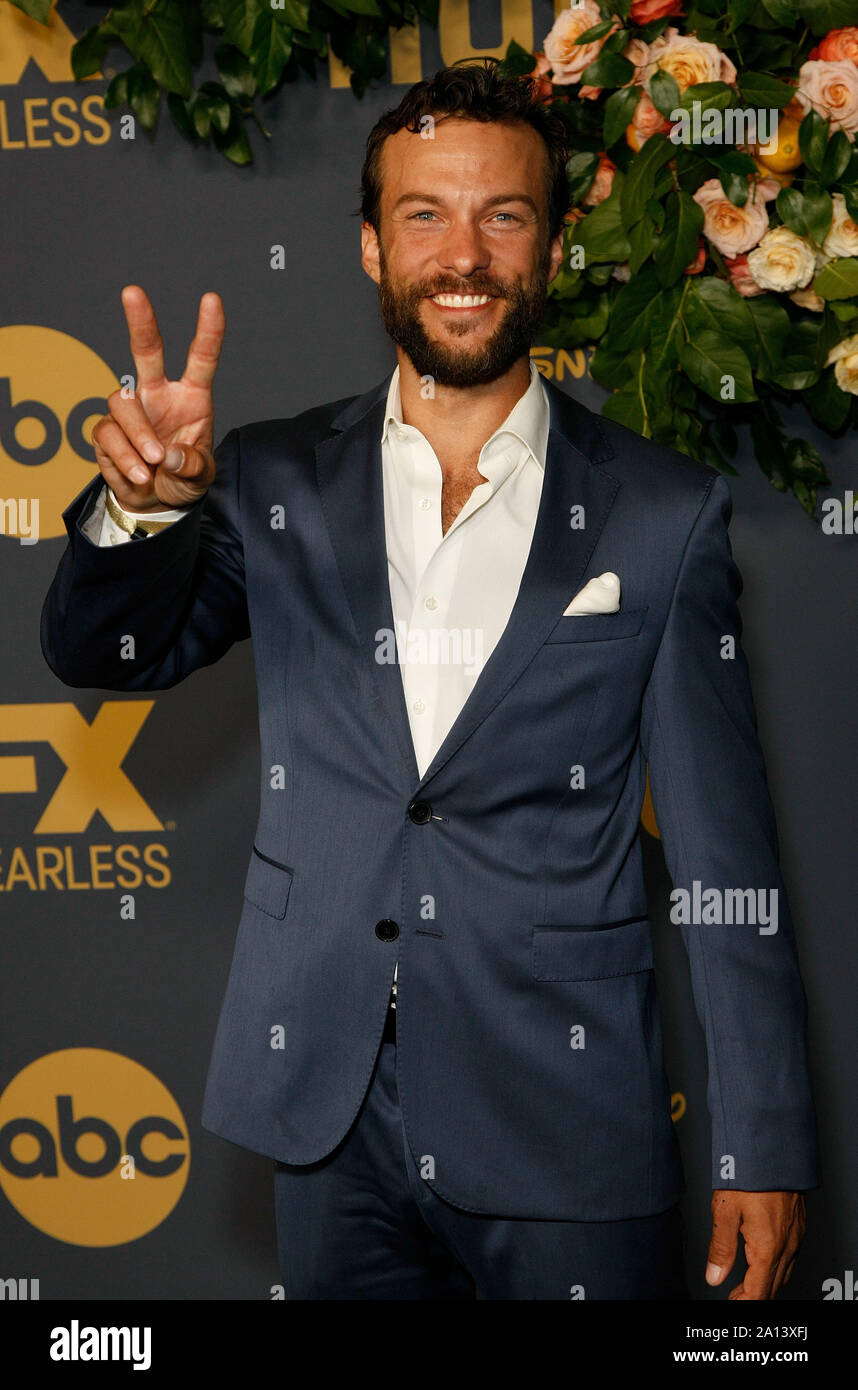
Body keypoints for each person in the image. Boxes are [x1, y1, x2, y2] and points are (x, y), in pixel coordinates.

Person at [41, 58, 819, 1300]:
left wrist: (761, 1138)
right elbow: (101, 654)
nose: (464, 255)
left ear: (552, 248)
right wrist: (142, 513)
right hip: (327, 1103)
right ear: (370, 247)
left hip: (564, 1108)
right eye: (424, 215)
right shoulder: (272, 479)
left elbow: (728, 863)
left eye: (502, 215)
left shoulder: (661, 516)